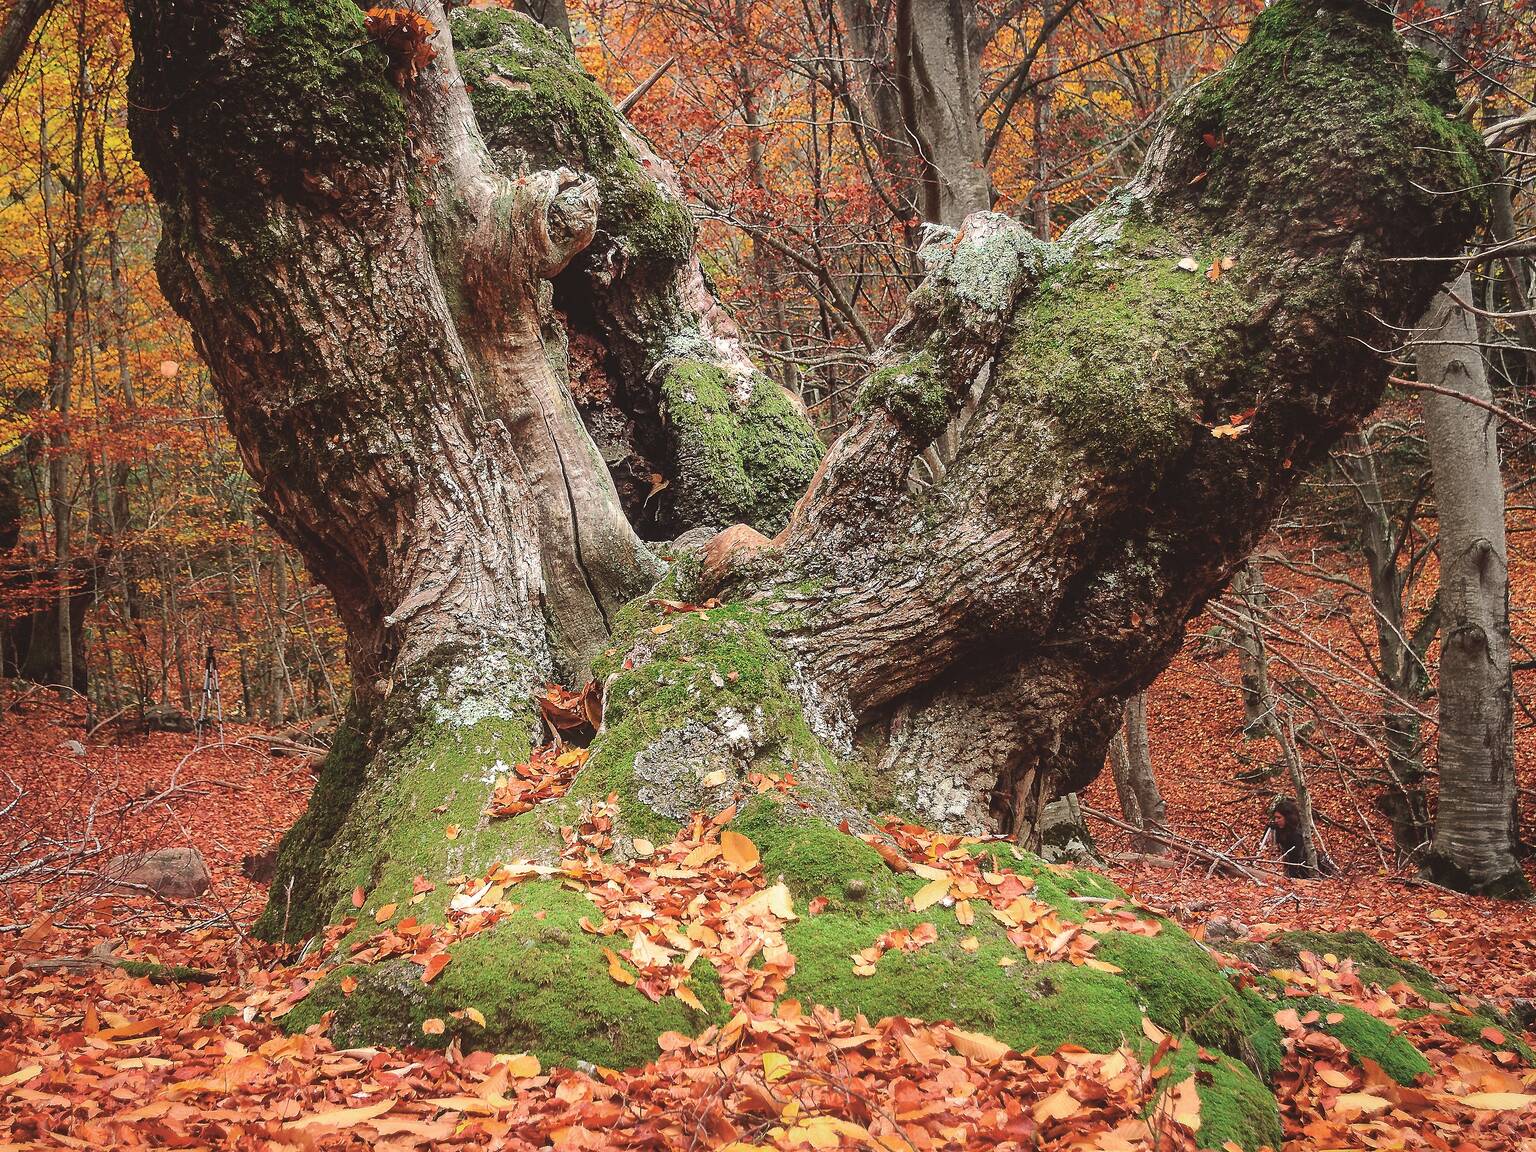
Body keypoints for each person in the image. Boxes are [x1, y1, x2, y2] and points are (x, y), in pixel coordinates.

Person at [1268, 797, 1337, 878]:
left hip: (1305, 869)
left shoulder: (1296, 834)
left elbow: (1295, 857)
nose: (1276, 820)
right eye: (1275, 818)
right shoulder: (1282, 830)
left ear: (1287, 818)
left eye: (1279, 818)